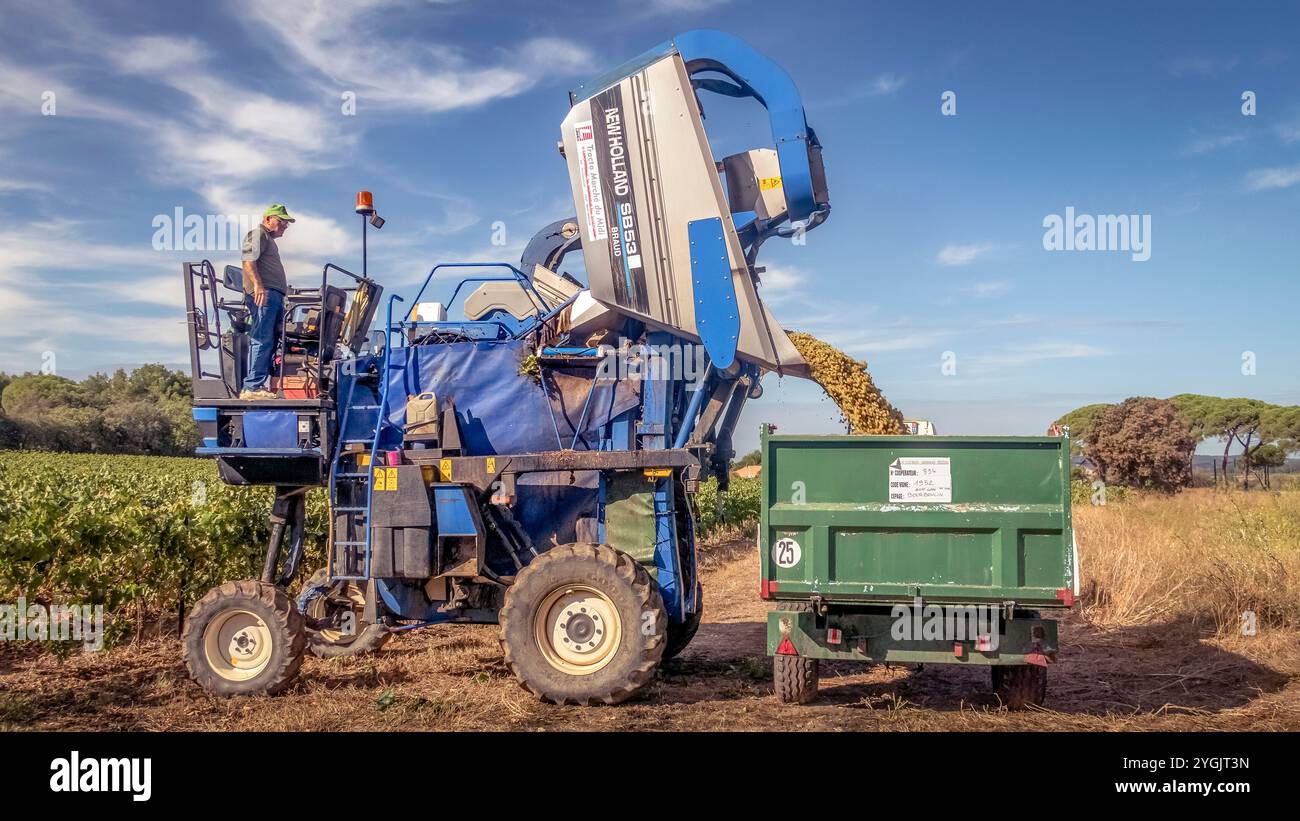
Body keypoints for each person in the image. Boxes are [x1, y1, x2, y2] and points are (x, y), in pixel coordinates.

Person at [239, 204, 295, 399]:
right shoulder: (258, 234)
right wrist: (258, 286)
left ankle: (262, 384)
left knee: (271, 340)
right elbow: (248, 259)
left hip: (274, 295)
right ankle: (251, 387)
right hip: (264, 294)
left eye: (286, 223)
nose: (285, 226)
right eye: (281, 221)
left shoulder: (269, 240)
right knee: (262, 337)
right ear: (267, 219)